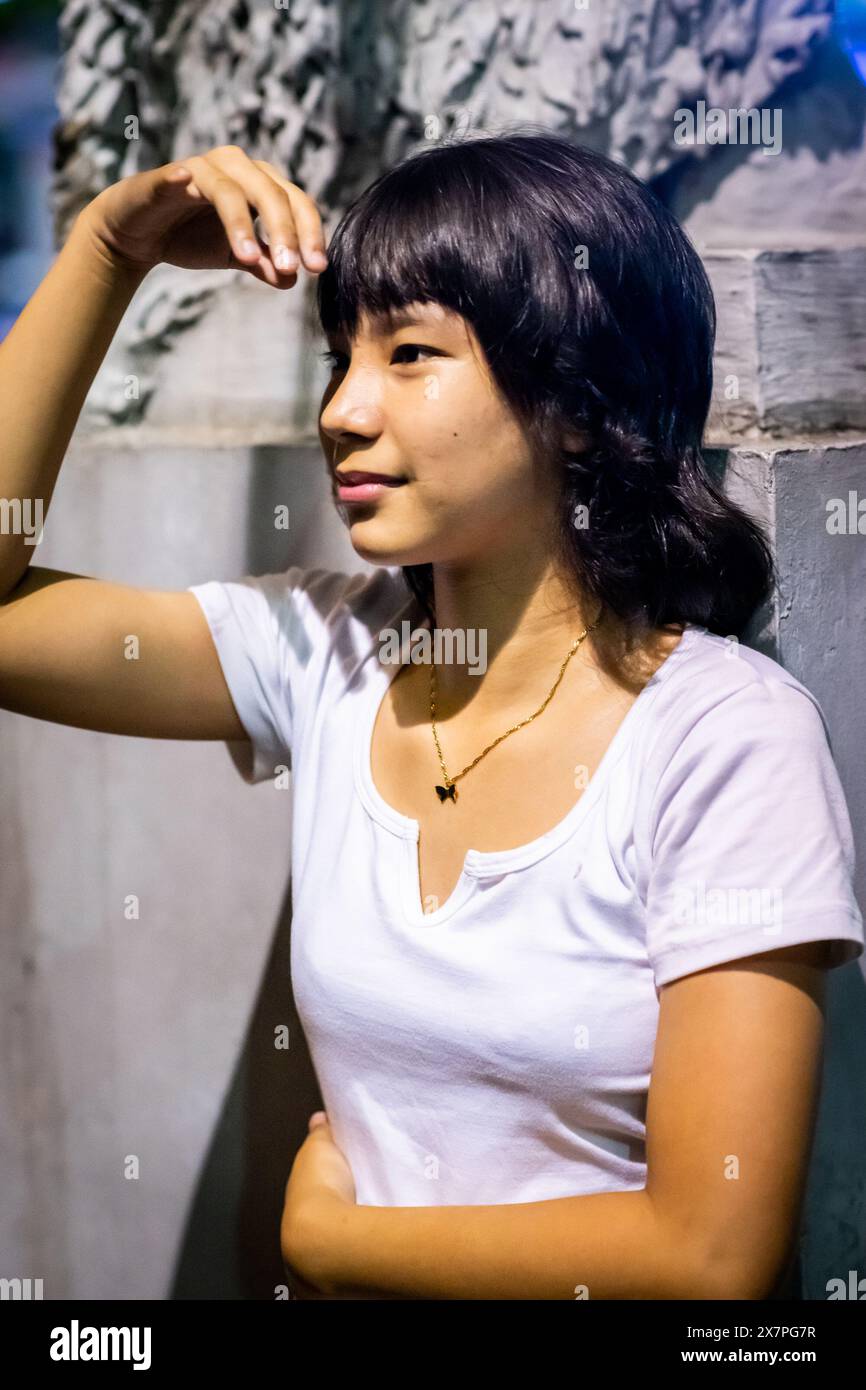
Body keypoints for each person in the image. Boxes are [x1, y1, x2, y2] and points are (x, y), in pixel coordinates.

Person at [0, 130, 862, 1303]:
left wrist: (337, 1244)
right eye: (340, 358)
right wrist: (109, 246)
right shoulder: (323, 652)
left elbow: (707, 1254)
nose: (343, 411)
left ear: (572, 403)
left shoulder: (722, 738)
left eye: (410, 354)